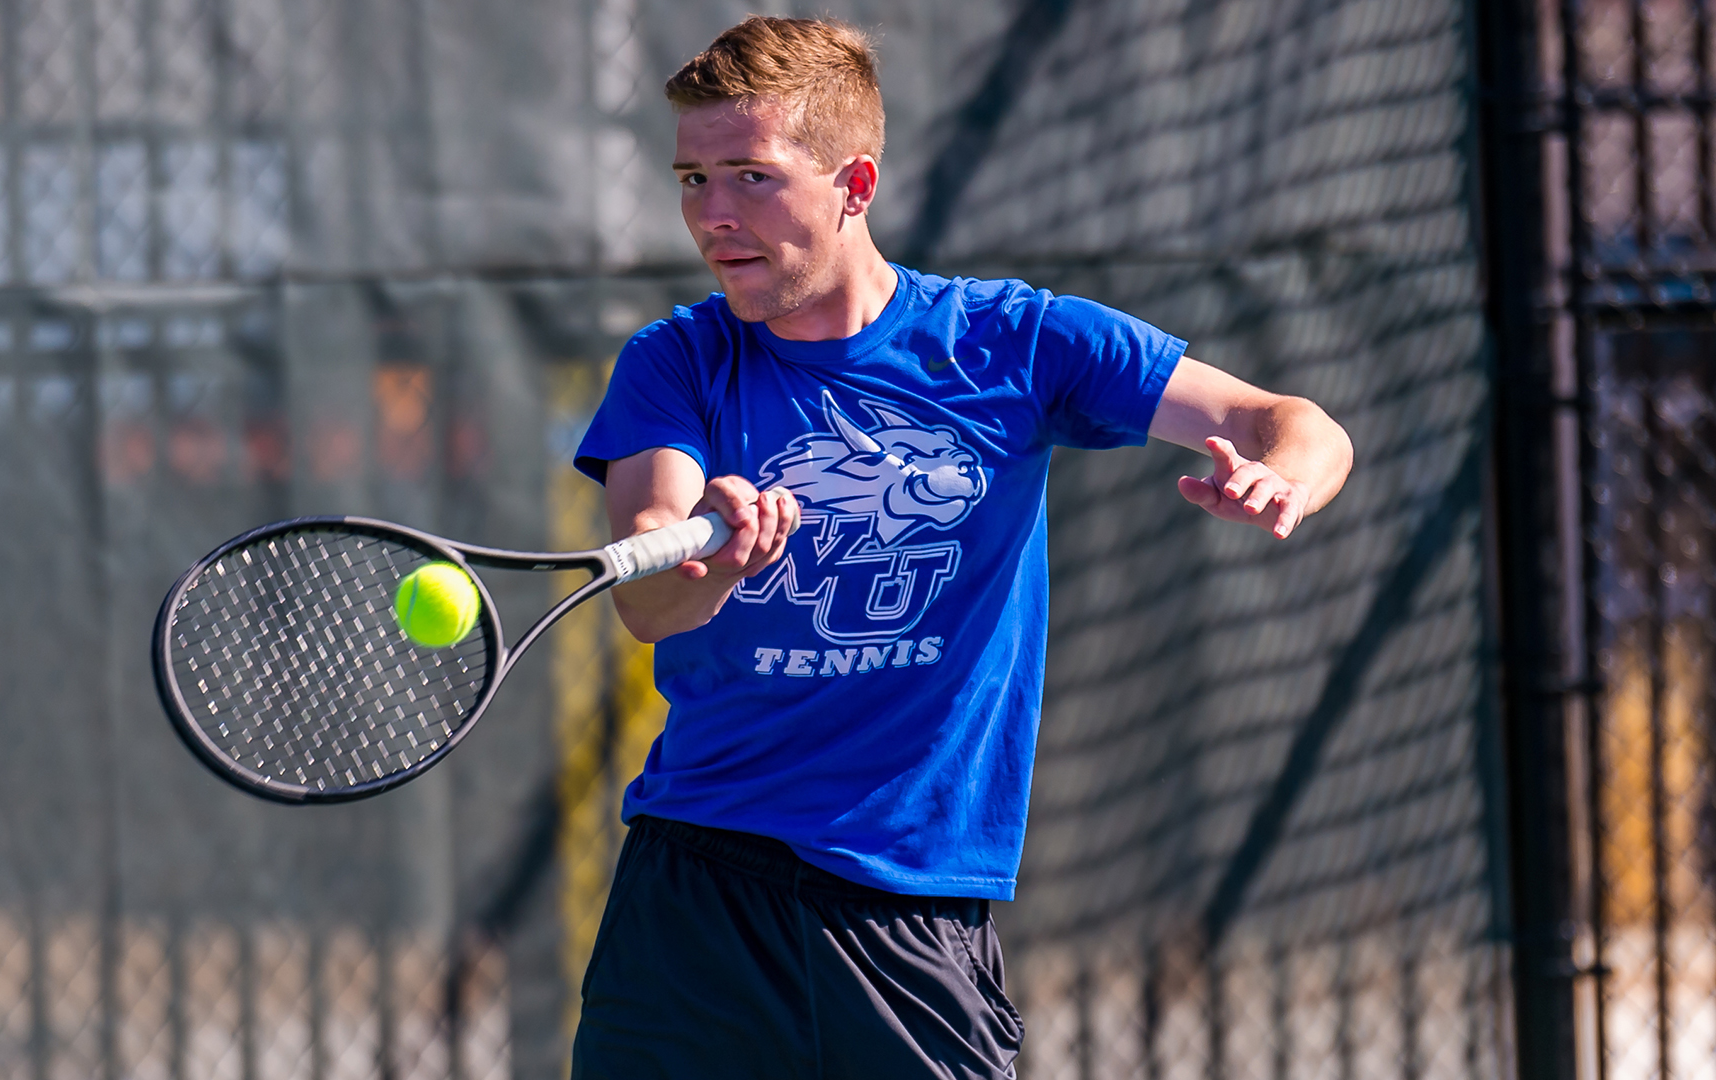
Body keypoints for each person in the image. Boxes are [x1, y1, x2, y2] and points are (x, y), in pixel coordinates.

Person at [569, 16, 1352, 1080]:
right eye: (692, 177)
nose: (711, 214)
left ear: (855, 183)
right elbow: (650, 584)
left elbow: (1292, 421)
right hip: (696, 903)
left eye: (750, 176)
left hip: (913, 915)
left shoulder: (1017, 344)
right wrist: (711, 562)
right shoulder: (676, 362)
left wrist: (1281, 477)